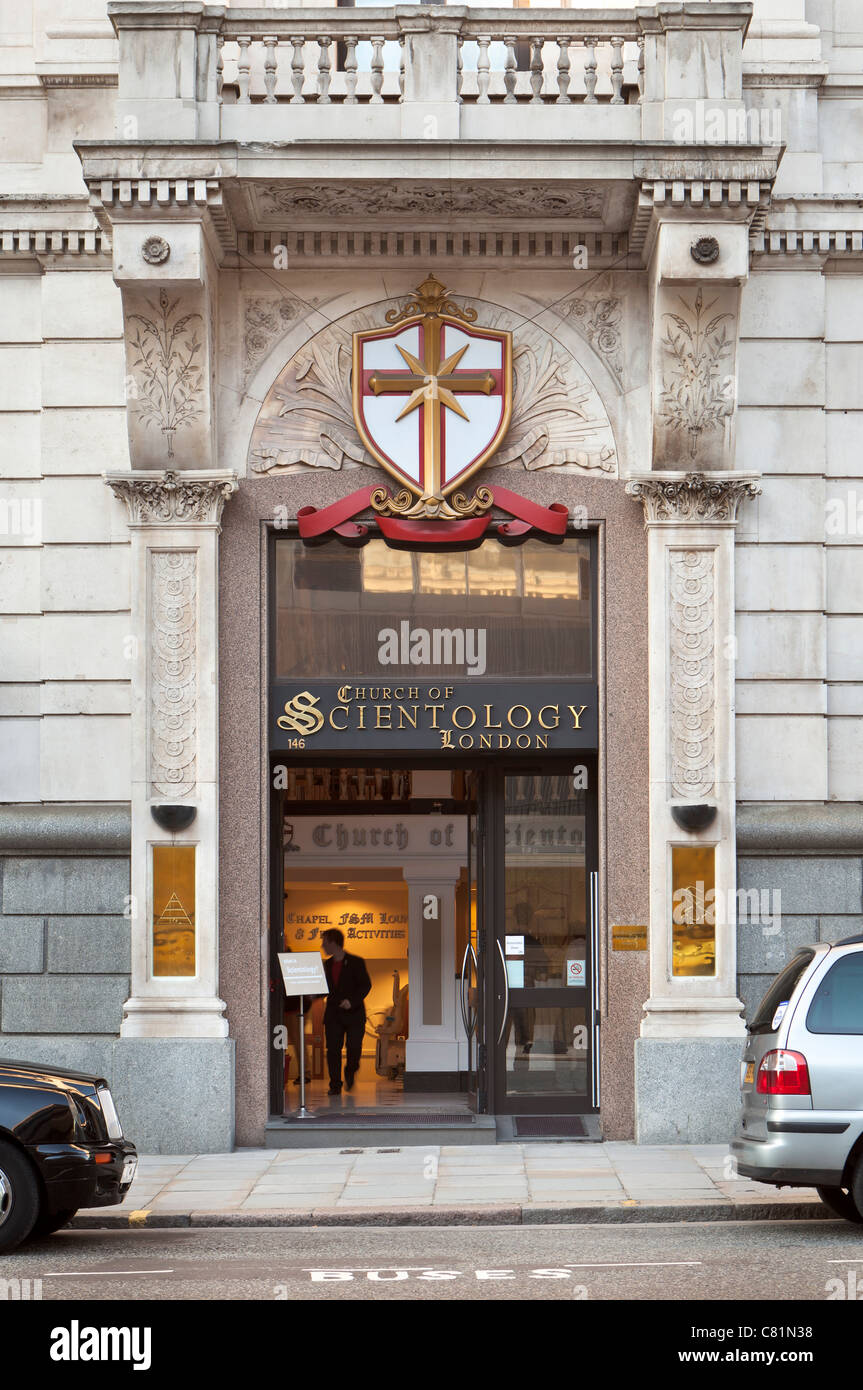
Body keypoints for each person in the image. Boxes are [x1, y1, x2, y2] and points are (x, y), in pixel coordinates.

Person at [320, 928, 371, 1095]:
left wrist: (352, 1001)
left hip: (354, 1013)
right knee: (333, 1050)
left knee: (354, 1047)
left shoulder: (356, 962)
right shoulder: (326, 965)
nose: (322, 946)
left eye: (325, 942)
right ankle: (335, 1084)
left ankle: (350, 1070)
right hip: (333, 1014)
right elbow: (323, 988)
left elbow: (365, 985)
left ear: (333, 943)